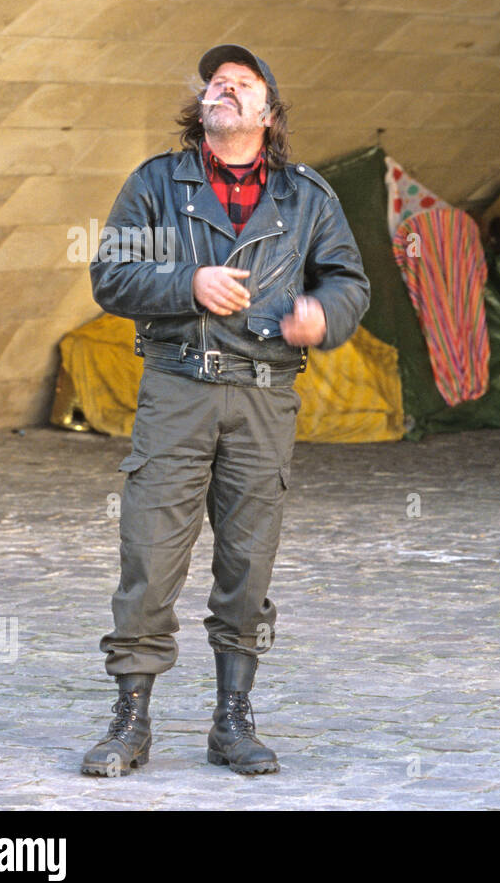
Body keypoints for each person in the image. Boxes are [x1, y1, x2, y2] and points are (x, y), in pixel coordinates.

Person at [81, 45, 370, 775]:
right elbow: (112, 275)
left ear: (268, 115)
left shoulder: (308, 196)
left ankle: (233, 721)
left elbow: (349, 283)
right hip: (177, 388)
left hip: (265, 394)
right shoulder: (156, 182)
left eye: (243, 84)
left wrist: (322, 317)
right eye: (216, 82)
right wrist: (189, 282)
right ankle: (131, 721)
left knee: (249, 563)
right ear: (202, 108)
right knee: (148, 554)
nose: (225, 89)